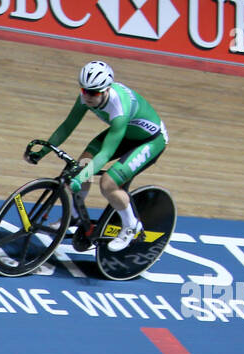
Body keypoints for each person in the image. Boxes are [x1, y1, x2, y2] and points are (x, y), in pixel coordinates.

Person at [27, 60, 168, 254]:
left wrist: (82, 178)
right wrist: (43, 151)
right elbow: (67, 126)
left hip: (150, 141)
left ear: (106, 90)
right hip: (126, 134)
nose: (88, 96)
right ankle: (75, 215)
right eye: (84, 90)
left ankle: (131, 226)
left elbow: (106, 153)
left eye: (93, 93)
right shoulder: (85, 97)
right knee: (80, 166)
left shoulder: (119, 107)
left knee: (108, 183)